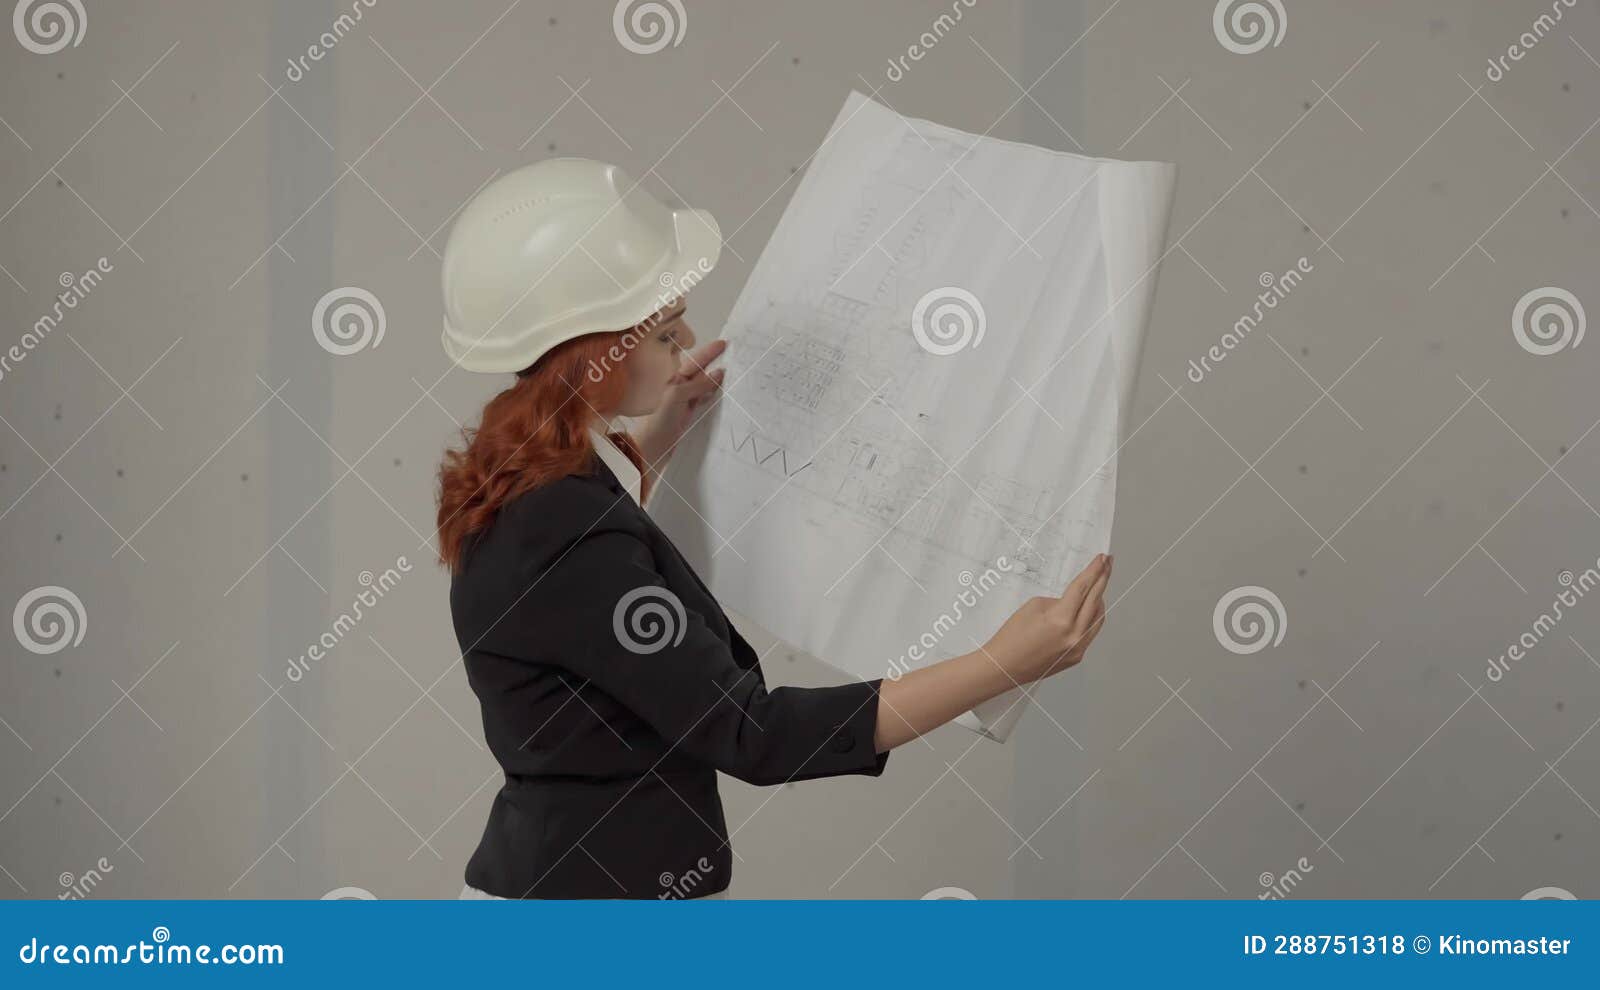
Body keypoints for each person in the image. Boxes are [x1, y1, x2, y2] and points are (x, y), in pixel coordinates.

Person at [434, 158, 1111, 899]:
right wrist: (1001, 664)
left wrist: (653, 442)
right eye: (664, 332)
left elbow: (575, 594)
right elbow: (754, 734)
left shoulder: (518, 472)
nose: (687, 340)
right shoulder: (567, 531)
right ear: (597, 358)